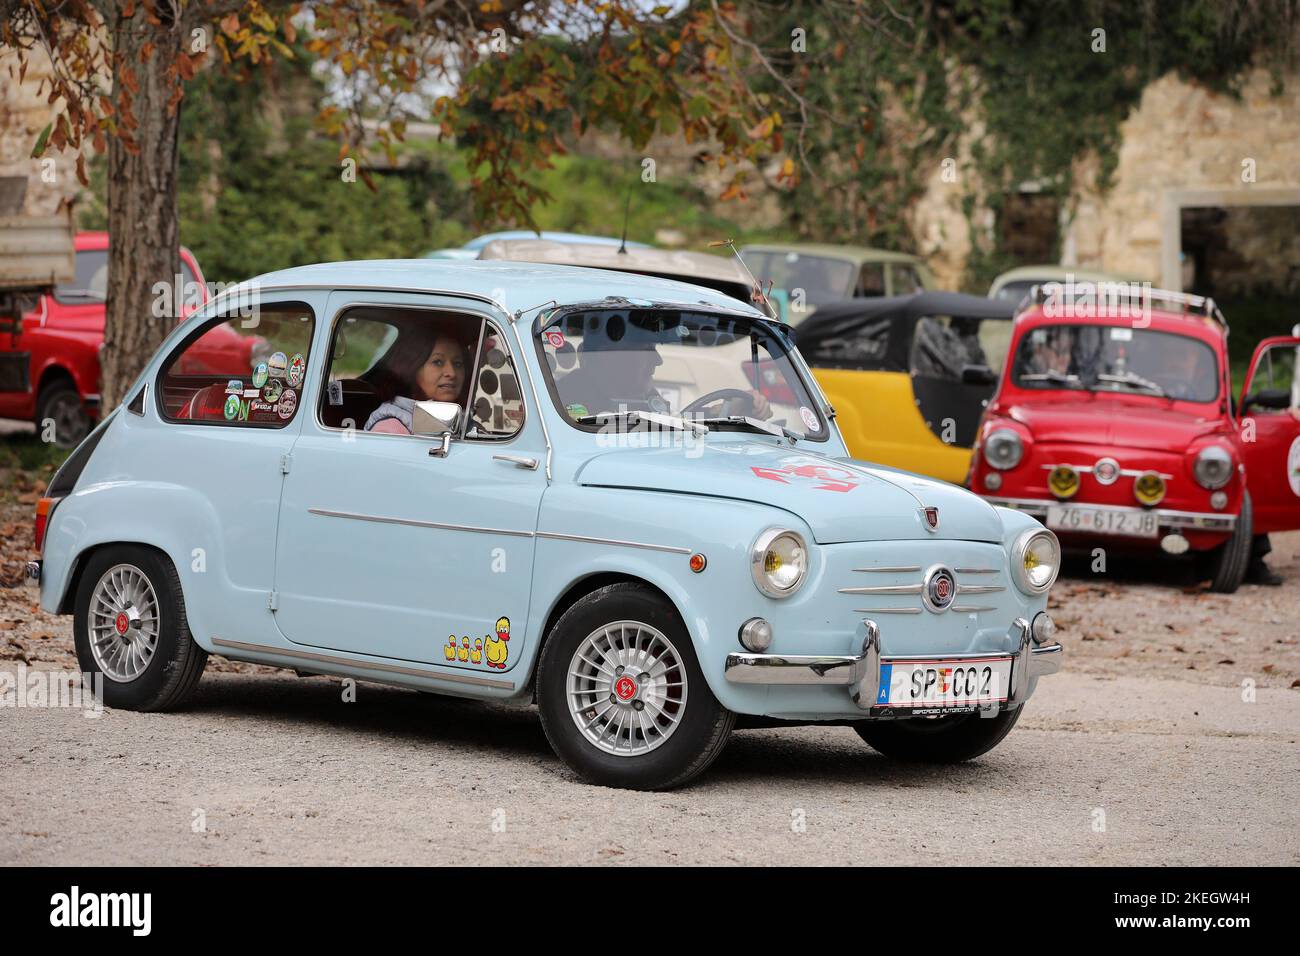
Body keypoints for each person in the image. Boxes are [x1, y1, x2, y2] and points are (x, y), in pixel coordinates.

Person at [557, 313, 770, 420]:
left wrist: (727, 411)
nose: (658, 360)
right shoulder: (569, 400)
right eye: (646, 349)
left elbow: (671, 422)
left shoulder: (640, 396)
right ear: (606, 357)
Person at [365, 325, 469, 434]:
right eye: (438, 362)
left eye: (458, 364)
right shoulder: (391, 429)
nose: (451, 373)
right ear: (412, 367)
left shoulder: (464, 419)